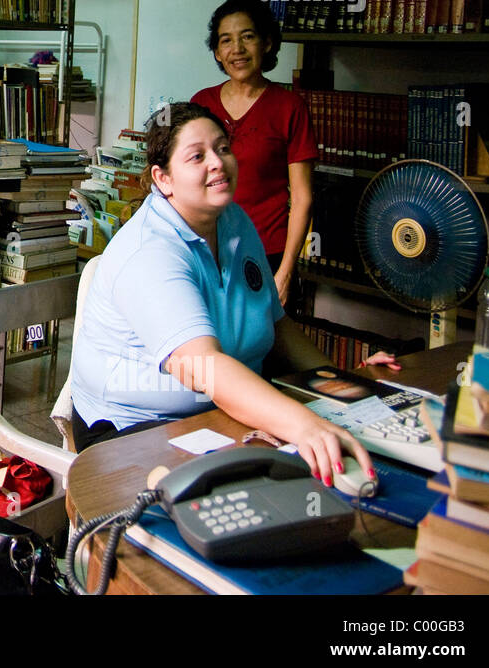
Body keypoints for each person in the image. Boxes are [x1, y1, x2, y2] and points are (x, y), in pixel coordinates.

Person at [69, 102, 393, 487]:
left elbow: (277, 325)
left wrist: (337, 384)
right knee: (264, 495)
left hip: (222, 412)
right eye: (197, 156)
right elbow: (204, 368)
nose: (217, 163)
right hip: (137, 429)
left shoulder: (234, 220)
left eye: (223, 148)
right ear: (164, 179)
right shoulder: (149, 253)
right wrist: (304, 425)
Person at [191, 0, 315, 307]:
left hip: (265, 254)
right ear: (218, 52)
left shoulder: (289, 107)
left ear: (267, 43)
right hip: (207, 248)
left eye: (247, 37)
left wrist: (285, 272)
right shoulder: (201, 104)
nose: (237, 50)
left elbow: (302, 198)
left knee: (262, 348)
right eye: (226, 40)